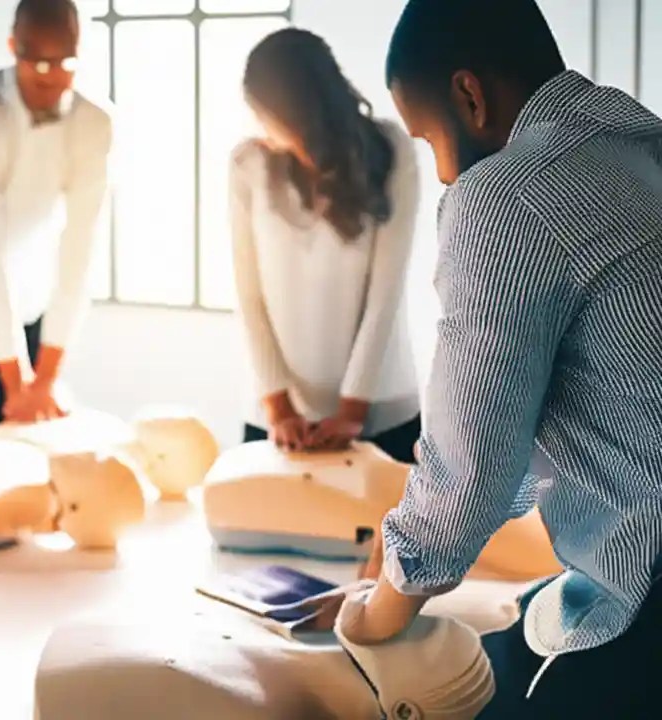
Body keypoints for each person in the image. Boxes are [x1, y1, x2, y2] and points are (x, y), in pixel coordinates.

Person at [305, 1, 662, 717]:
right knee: (520, 623)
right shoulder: (640, 141)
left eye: (427, 137)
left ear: (469, 95)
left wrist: (375, 615)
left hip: (650, 586)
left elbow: (473, 473)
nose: (441, 173)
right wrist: (408, 549)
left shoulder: (505, 195)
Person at [231, 28, 421, 463]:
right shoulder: (248, 162)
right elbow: (248, 296)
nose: (260, 125)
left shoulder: (390, 150)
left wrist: (354, 408)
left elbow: (384, 295)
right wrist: (278, 407)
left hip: (381, 409)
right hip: (277, 415)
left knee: (382, 532)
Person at [0, 0, 113, 433]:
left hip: (35, 300)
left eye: (65, 61)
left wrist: (45, 378)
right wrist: (15, 382)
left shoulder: (94, 122)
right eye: (37, 62)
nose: (51, 76)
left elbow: (81, 247)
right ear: (13, 47)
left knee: (34, 450)